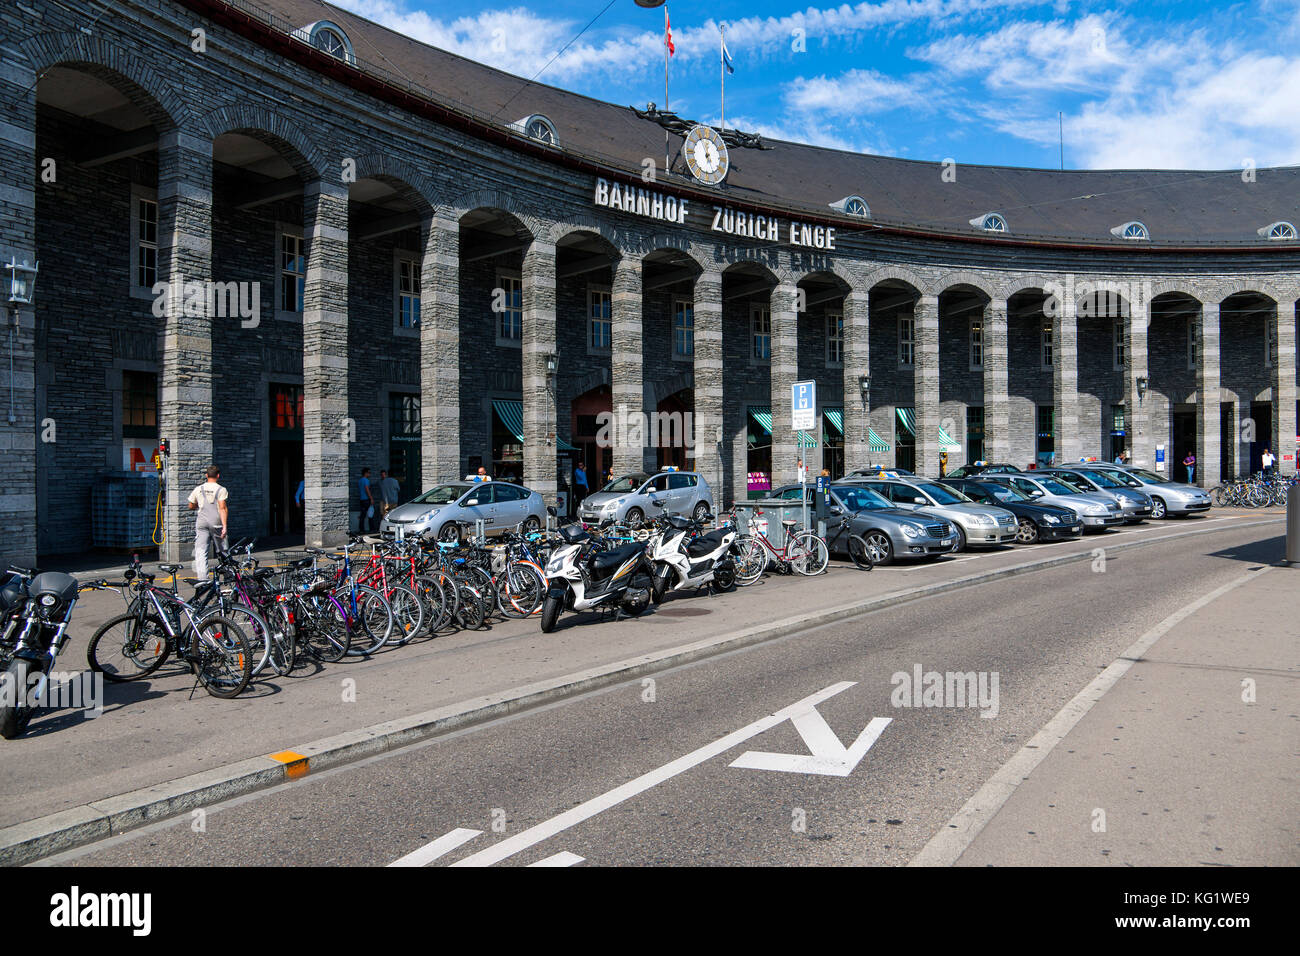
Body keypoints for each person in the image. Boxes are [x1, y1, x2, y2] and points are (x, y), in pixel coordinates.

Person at [187, 465, 228, 580]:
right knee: (223, 549)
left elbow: (191, 505)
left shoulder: (198, 489)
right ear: (218, 475)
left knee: (201, 551)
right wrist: (224, 526)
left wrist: (198, 505)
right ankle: (227, 575)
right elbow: (222, 508)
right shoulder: (221, 489)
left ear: (206, 475)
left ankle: (203, 579)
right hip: (216, 521)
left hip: (201, 522)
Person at [358, 467, 376, 532]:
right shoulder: (366, 480)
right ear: (365, 473)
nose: (370, 474)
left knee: (362, 515)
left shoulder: (360, 480)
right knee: (370, 515)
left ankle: (361, 529)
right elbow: (367, 489)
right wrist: (371, 498)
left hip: (361, 499)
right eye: (369, 473)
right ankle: (372, 529)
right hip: (366, 499)